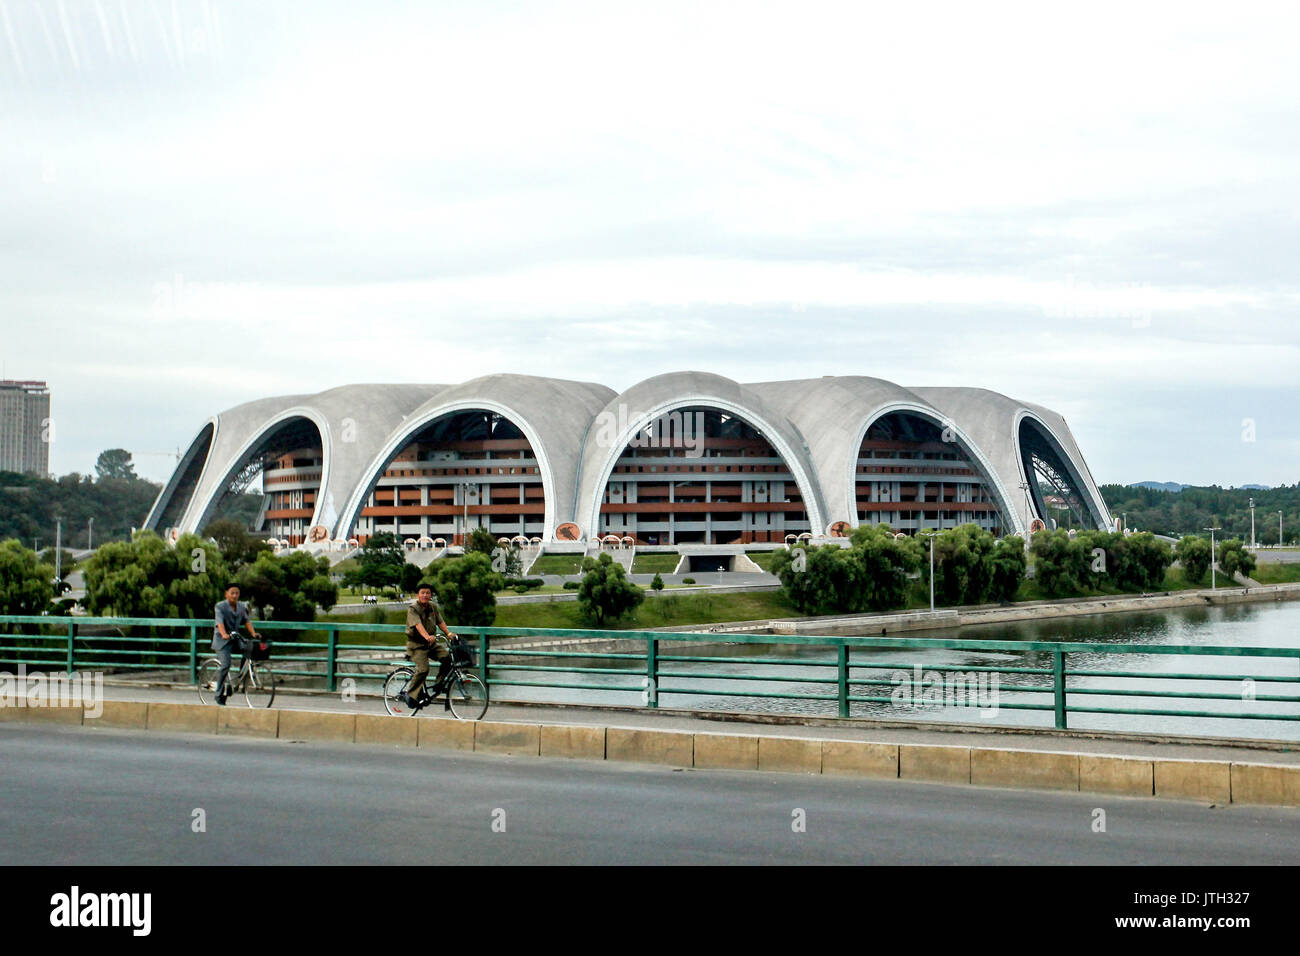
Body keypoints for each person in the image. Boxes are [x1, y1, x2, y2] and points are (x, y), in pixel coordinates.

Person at [404, 582, 457, 709]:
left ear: (431, 595)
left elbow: (440, 621)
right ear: (418, 595)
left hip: (431, 644)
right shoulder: (413, 609)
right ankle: (410, 695)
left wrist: (449, 633)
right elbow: (418, 625)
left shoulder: (432, 606)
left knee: (447, 658)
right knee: (423, 669)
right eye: (422, 593)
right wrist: (427, 636)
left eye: (428, 593)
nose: (425, 595)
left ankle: (439, 684)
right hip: (417, 645)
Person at [213, 583, 259, 706]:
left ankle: (240, 679)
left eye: (237, 593)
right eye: (232, 593)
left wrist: (253, 633)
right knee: (226, 664)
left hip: (235, 638)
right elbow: (220, 623)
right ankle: (218, 693)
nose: (235, 595)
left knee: (249, 649)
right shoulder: (220, 606)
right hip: (222, 641)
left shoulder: (241, 607)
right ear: (226, 594)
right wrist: (223, 634)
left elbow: (246, 621)